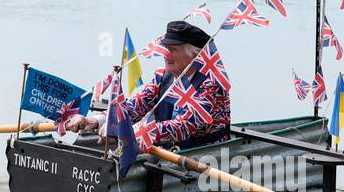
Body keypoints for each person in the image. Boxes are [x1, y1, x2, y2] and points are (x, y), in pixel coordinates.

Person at [66, 20, 231, 151]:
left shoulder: (212, 84)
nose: (165, 55)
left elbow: (185, 126)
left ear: (193, 54)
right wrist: (97, 121)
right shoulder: (163, 77)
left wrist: (139, 132)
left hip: (203, 154)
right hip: (165, 148)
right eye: (165, 49)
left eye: (172, 50)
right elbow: (136, 106)